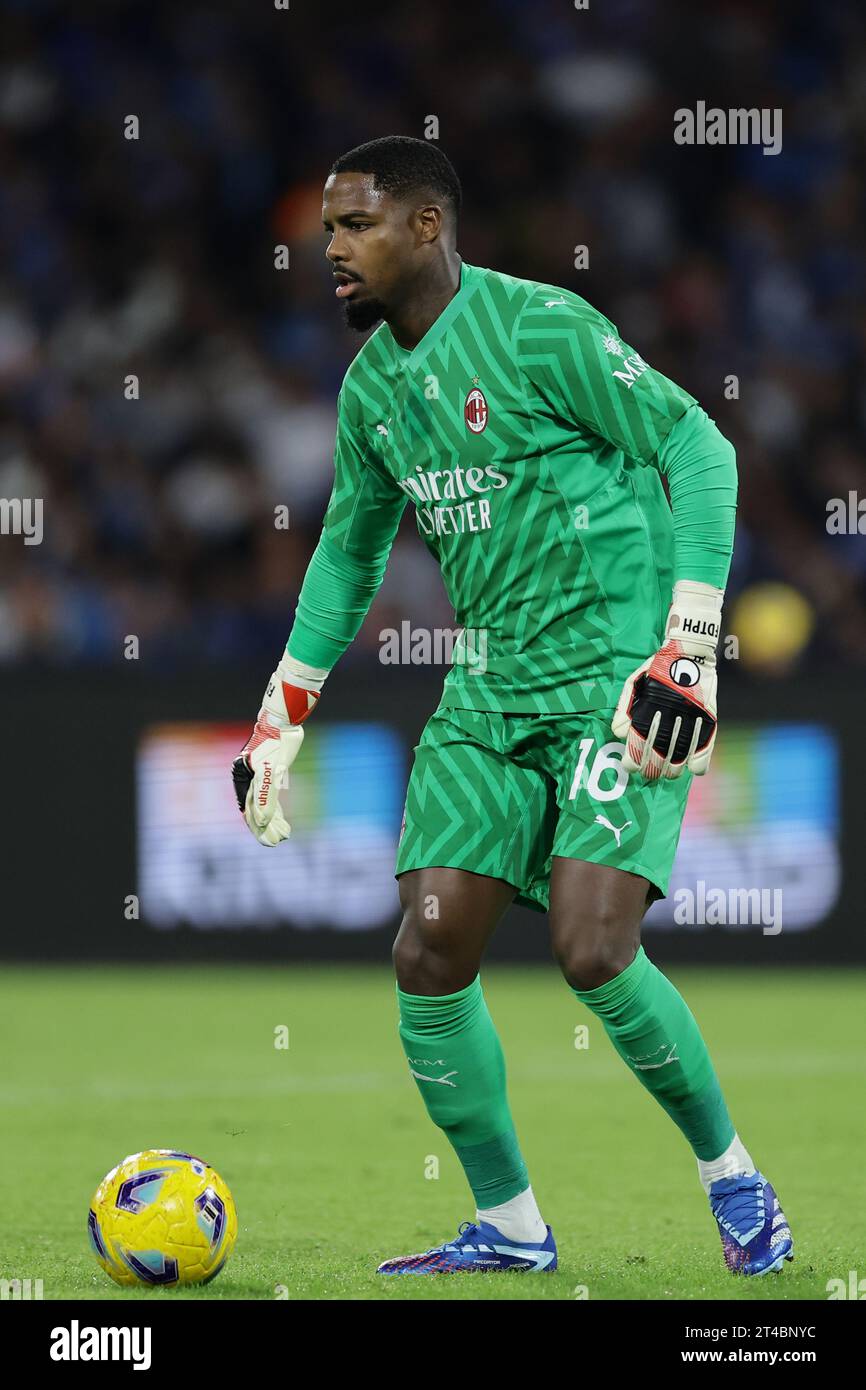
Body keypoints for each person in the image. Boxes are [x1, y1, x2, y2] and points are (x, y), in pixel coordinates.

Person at [232, 135, 793, 1278]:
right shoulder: (370, 390)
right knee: (429, 949)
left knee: (592, 948)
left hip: (615, 680)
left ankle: (732, 1177)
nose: (330, 248)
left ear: (426, 226)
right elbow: (347, 554)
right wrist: (280, 715)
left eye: (353, 225)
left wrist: (688, 647)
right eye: (327, 230)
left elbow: (695, 443)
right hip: (486, 689)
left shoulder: (539, 328)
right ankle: (510, 1226)